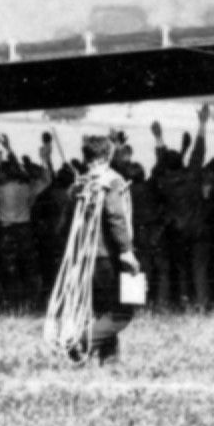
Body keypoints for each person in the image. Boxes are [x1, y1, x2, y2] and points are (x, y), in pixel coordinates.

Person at [44, 132, 141, 364]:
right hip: (109, 256)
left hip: (84, 258)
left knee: (102, 309)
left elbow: (64, 224)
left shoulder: (80, 184)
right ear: (108, 155)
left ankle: (109, 360)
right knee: (123, 312)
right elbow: (116, 215)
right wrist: (127, 250)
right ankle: (80, 343)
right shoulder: (112, 181)